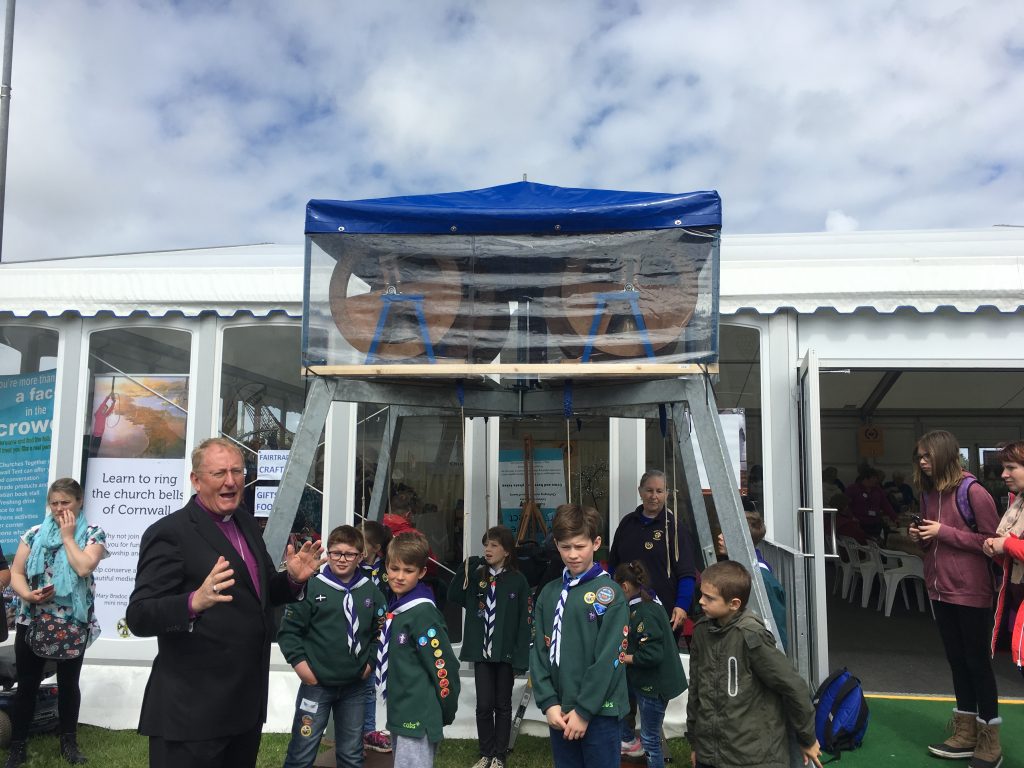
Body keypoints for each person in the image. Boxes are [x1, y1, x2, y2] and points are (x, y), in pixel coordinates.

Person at [125, 437, 324, 768]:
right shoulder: (170, 533)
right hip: (193, 715)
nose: (230, 481)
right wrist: (193, 601)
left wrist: (292, 579)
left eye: (237, 471)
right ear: (196, 480)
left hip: (243, 707)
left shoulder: (245, 522)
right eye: (219, 473)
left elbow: (253, 597)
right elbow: (139, 615)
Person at [909, 430, 1001, 767]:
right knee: (957, 661)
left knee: (977, 662)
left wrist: (942, 532)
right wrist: (920, 536)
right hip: (940, 589)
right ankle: (965, 734)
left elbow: (992, 543)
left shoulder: (973, 491)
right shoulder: (928, 493)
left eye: (927, 456)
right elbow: (931, 543)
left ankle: (989, 739)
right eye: (919, 456)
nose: (922, 461)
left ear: (946, 455)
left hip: (971, 591)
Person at [5, 478, 107, 768]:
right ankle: (18, 746)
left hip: (72, 620)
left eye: (66, 502)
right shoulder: (33, 533)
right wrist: (27, 594)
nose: (59, 508)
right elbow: (17, 572)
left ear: (79, 502)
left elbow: (84, 566)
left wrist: (67, 536)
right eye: (54, 503)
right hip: (33, 617)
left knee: (68, 683)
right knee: (27, 683)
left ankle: (69, 742)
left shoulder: (92, 534)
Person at [686, 561, 821, 768]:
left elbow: (793, 687)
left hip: (752, 758)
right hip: (709, 755)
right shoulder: (702, 631)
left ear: (734, 604)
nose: (701, 602)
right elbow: (696, 690)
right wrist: (696, 744)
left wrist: (807, 738)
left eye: (710, 598)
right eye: (701, 594)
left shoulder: (751, 636)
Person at [278, 525, 386, 768]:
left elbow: (379, 630)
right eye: (336, 553)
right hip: (316, 686)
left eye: (349, 554)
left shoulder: (370, 591)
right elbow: (289, 632)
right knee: (302, 752)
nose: (342, 559)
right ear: (329, 553)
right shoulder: (311, 586)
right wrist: (302, 668)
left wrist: (370, 662)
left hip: (355, 687)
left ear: (360, 556)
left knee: (351, 754)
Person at [530, 504, 628, 768]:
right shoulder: (549, 594)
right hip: (560, 711)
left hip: (599, 712)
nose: (572, 555)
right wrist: (549, 702)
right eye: (565, 547)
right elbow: (539, 651)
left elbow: (609, 658)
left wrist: (584, 711)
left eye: (579, 546)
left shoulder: (610, 594)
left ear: (596, 543)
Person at [374, 531, 459, 768]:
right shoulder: (396, 607)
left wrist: (444, 711)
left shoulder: (422, 614)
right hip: (401, 711)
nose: (399, 577)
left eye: (408, 571)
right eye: (394, 568)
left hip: (418, 714)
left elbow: (444, 667)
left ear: (422, 572)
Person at [448, 525, 531, 768]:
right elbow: (455, 595)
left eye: (494, 545)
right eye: (486, 544)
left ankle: (499, 755)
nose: (488, 549)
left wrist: (520, 658)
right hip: (482, 653)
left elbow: (524, 623)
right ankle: (486, 752)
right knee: (484, 704)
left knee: (502, 705)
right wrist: (467, 566)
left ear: (506, 551)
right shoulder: (478, 576)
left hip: (505, 655)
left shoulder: (517, 581)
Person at [613, 560, 687, 768]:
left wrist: (625, 658)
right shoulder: (648, 602)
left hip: (654, 687)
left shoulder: (644, 614)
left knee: (651, 740)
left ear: (625, 587)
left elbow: (652, 655)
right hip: (646, 683)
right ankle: (627, 741)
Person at [608, 470, 697, 632]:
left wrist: (682, 605)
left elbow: (687, 574)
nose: (653, 496)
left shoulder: (676, 529)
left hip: (663, 613)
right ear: (640, 491)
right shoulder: (627, 524)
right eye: (649, 490)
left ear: (667, 494)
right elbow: (613, 565)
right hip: (625, 610)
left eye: (659, 491)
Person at [714, 510, 788, 651]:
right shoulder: (736, 567)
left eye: (725, 533)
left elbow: (776, 629)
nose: (719, 537)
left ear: (742, 539)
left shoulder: (763, 579)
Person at [985, 441, 1024, 684]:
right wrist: (995, 549)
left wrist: (1005, 545)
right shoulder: (1017, 504)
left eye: (1011, 467)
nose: (1003, 474)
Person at [359, 519, 393, 754]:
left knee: (370, 685)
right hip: (355, 635)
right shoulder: (353, 568)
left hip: (380, 637)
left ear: (375, 547)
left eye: (361, 542)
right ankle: (351, 730)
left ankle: (370, 731)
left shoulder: (386, 570)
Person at [844, 468, 895, 539]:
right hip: (859, 523)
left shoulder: (877, 490)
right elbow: (845, 505)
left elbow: (885, 504)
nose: (876, 480)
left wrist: (894, 517)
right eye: (874, 478)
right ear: (866, 478)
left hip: (875, 523)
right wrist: (852, 517)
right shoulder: (852, 489)